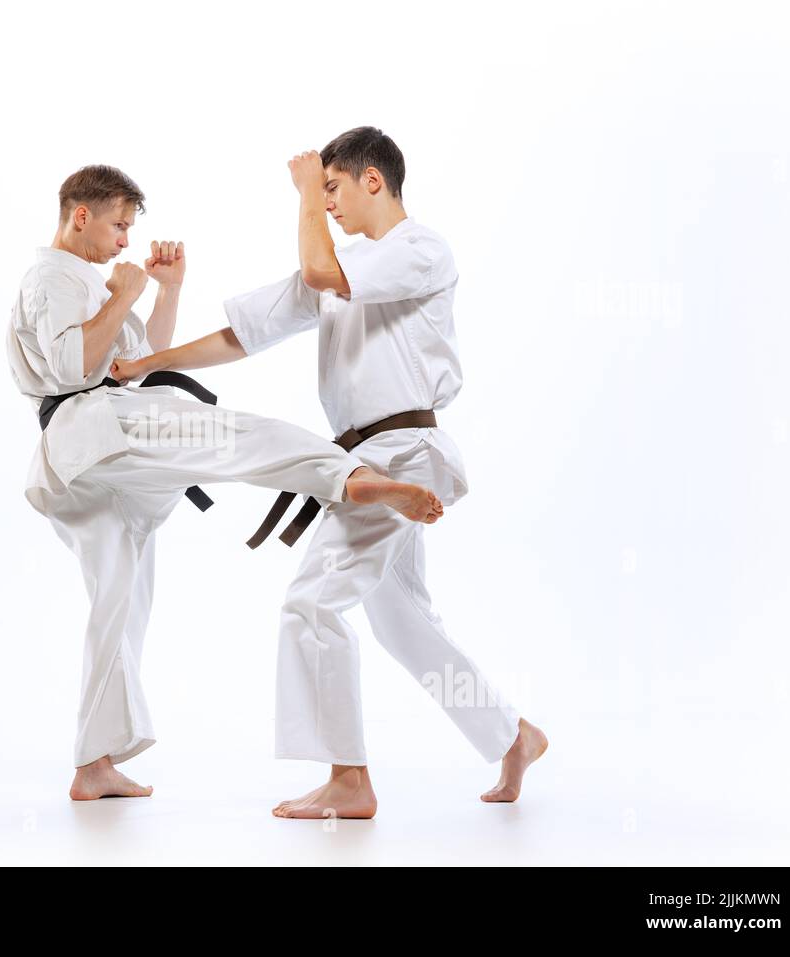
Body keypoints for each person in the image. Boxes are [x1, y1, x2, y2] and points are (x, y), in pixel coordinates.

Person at [110, 128, 548, 818]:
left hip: (402, 452)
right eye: (323, 192)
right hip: (365, 460)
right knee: (403, 623)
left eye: (334, 188)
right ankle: (511, 734)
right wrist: (144, 366)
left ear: (373, 180)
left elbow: (319, 271)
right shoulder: (337, 266)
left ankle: (349, 777)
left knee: (311, 605)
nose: (327, 203)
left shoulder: (419, 249)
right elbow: (242, 335)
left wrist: (305, 191)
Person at [7, 163, 446, 802]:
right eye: (119, 225)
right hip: (92, 427)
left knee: (119, 603)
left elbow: (130, 368)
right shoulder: (52, 276)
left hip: (94, 451)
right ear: (82, 216)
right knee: (230, 436)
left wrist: (165, 292)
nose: (125, 242)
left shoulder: (87, 280)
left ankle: (92, 764)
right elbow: (77, 368)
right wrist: (124, 294)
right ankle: (346, 475)